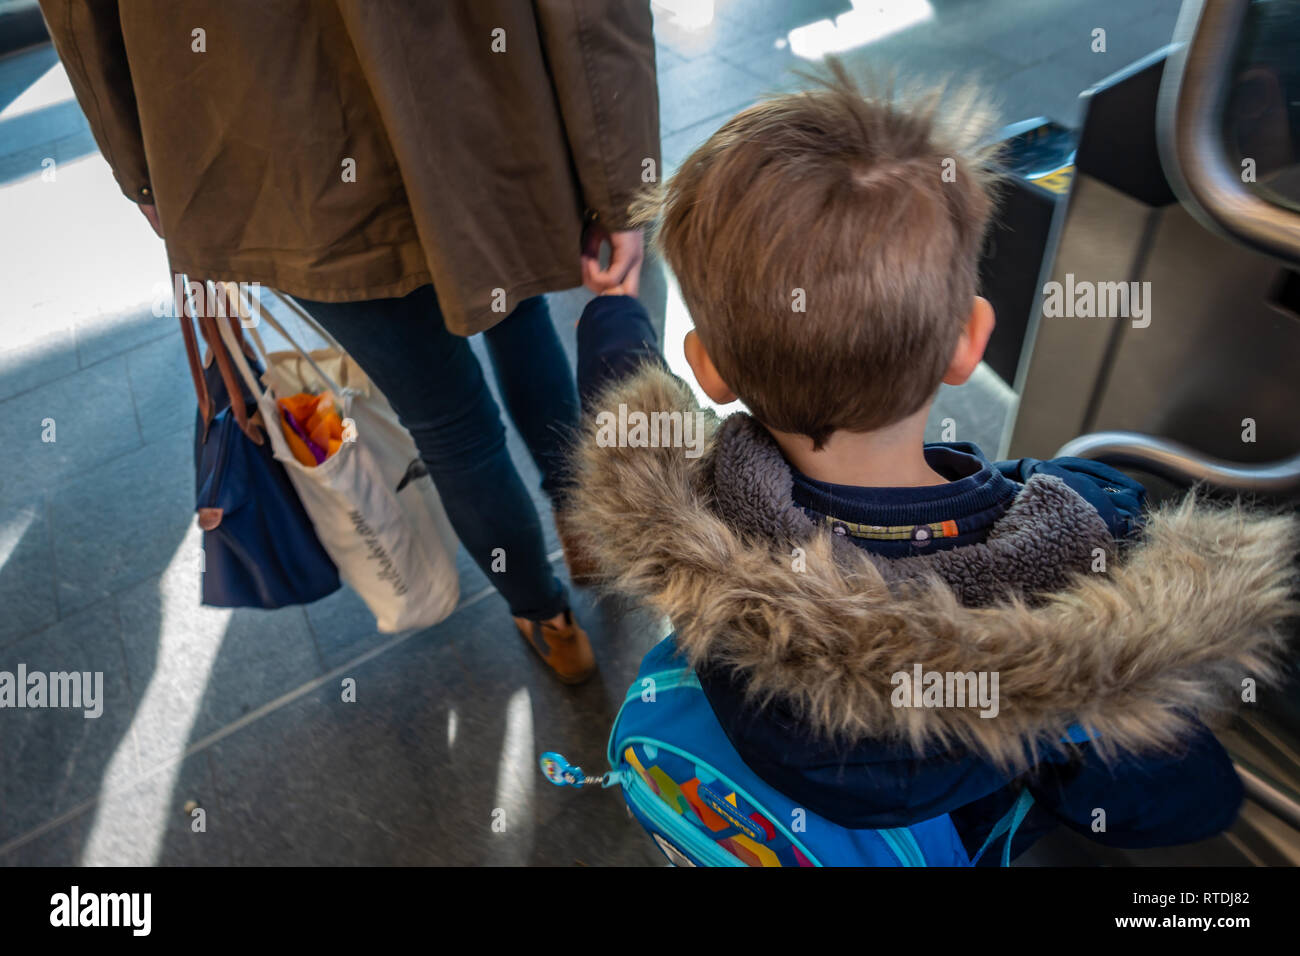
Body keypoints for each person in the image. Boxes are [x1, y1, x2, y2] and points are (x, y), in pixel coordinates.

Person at [563, 67, 1299, 861]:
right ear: (967, 343)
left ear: (705, 369)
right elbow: (1187, 804)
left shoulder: (686, 511)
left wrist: (610, 307)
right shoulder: (1073, 612)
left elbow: (619, 403)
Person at [41, 0, 661, 684]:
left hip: (282, 153)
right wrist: (623, 180)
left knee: (450, 426)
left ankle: (550, 623)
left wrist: (141, 166)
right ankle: (585, 532)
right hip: (472, 104)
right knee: (520, 319)